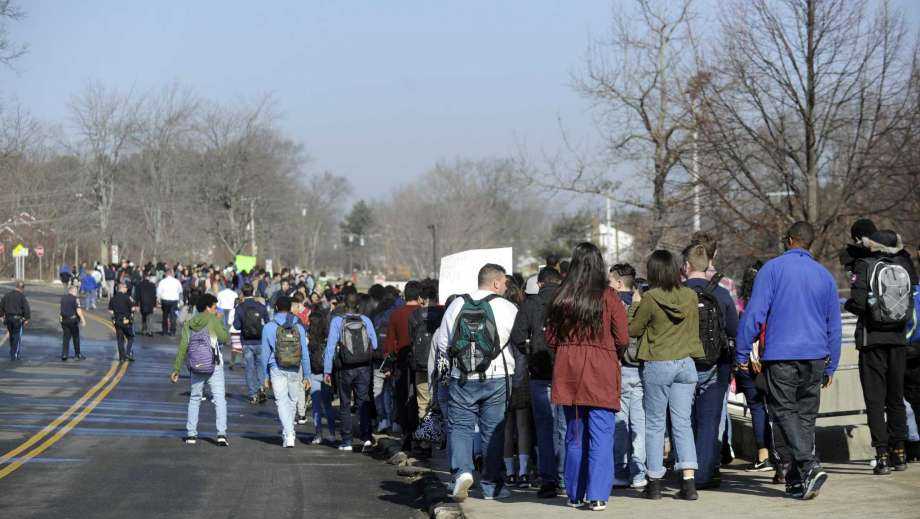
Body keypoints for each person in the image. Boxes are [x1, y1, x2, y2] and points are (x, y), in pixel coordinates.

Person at [736, 221, 842, 500]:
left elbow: (754, 313)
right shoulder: (824, 275)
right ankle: (796, 480)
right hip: (816, 356)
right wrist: (832, 363)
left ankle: (808, 464)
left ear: (790, 240)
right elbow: (834, 324)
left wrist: (742, 352)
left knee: (783, 413)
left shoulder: (772, 269)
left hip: (781, 356)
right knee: (804, 417)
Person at [543, 244, 628, 511]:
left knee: (575, 434)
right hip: (601, 369)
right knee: (601, 434)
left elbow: (550, 338)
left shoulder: (561, 296)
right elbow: (623, 336)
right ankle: (598, 495)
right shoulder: (609, 297)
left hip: (569, 370)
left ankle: (575, 493)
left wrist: (569, 349)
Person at [434, 263, 518, 501]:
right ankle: (492, 486)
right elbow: (519, 339)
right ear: (496, 282)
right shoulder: (507, 307)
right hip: (498, 376)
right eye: (504, 283)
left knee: (461, 427)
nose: (505, 287)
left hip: (462, 377)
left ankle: (462, 472)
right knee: (493, 430)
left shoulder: (457, 304)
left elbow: (443, 343)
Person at [628, 250, 704, 501]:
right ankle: (689, 483)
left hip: (658, 363)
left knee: (655, 424)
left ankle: (654, 483)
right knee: (682, 423)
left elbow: (633, 330)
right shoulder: (690, 295)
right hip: (686, 364)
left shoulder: (650, 298)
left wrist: (635, 304)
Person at [844, 229, 918, 473]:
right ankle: (900, 452)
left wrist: (850, 304)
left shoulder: (864, 265)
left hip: (872, 341)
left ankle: (882, 455)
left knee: (875, 400)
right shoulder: (904, 265)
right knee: (896, 398)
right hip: (898, 340)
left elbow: (858, 303)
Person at [683, 243, 739, 489]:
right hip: (716, 364)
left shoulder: (677, 293)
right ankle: (704, 474)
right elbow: (734, 330)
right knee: (709, 421)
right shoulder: (722, 293)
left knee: (684, 420)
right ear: (707, 265)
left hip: (683, 364)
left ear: (686, 266)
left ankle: (686, 470)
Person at [512, 266, 567, 498]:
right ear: (559, 281)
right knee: (564, 427)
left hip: (539, 371)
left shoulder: (530, 304)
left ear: (540, 284)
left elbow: (517, 336)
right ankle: (565, 476)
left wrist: (530, 350)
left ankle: (548, 480)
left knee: (544, 428)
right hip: (565, 372)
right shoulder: (568, 301)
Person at [169, 293, 230, 446]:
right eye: (214, 307)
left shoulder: (189, 323)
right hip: (214, 365)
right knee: (219, 399)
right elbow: (224, 338)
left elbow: (183, 346)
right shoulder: (212, 320)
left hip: (196, 366)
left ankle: (191, 434)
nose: (216, 309)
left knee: (195, 398)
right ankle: (221, 434)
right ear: (208, 308)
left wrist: (176, 368)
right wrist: (219, 321)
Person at [608, 263, 648, 490]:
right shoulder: (643, 303)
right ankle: (639, 473)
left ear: (618, 282)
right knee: (639, 424)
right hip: (641, 368)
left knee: (619, 423)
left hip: (619, 368)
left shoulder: (611, 304)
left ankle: (619, 471)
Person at [324, 292, 379, 451]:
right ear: (358, 306)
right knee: (363, 401)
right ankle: (366, 438)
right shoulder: (366, 320)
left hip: (345, 368)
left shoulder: (337, 321)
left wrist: (327, 371)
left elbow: (330, 347)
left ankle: (347, 441)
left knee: (345, 404)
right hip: (364, 367)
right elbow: (375, 344)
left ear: (344, 305)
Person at [260, 296, 310, 448]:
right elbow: (305, 352)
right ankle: (290, 431)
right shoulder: (298, 327)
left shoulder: (269, 327)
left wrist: (265, 375)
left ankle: (288, 433)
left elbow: (264, 354)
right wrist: (307, 375)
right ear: (290, 309)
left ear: (276, 308)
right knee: (292, 400)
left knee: (281, 401)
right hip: (295, 367)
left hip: (276, 366)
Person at [384, 280, 424, 453]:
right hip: (422, 363)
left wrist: (388, 365)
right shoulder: (424, 313)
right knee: (421, 399)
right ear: (420, 296)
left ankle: (406, 435)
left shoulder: (396, 314)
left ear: (404, 296)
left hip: (402, 362)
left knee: (402, 398)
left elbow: (390, 343)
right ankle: (422, 437)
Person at [233, 284, 270, 405]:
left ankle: (253, 395)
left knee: (249, 368)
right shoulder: (260, 306)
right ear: (253, 292)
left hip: (246, 341)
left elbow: (236, 326)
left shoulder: (240, 307)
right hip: (260, 341)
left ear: (242, 293)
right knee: (261, 366)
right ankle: (261, 388)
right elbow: (268, 322)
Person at [307, 303, 336, 444]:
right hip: (326, 373)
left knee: (316, 407)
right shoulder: (328, 338)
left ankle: (318, 434)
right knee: (328, 405)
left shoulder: (309, 339)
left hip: (313, 373)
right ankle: (332, 433)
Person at [1, 282, 30, 361]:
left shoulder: (7, 295)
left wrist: (1, 316)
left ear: (16, 287)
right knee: (17, 336)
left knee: (11, 335)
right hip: (17, 319)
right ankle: (14, 354)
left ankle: (12, 351)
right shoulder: (22, 297)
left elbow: (1, 306)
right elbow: (26, 309)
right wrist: (27, 318)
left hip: (8, 318)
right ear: (22, 288)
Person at [109, 281, 138, 362]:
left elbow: (110, 311)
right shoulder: (127, 298)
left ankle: (122, 357)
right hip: (126, 320)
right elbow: (133, 308)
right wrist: (132, 312)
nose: (127, 289)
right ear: (122, 288)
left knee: (120, 339)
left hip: (117, 320)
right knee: (130, 337)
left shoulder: (113, 298)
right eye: (126, 288)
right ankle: (128, 353)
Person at [60, 285, 86, 361]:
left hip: (64, 320)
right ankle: (77, 354)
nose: (76, 293)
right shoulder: (75, 299)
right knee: (76, 337)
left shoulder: (63, 298)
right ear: (73, 291)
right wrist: (83, 319)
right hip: (72, 320)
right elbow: (78, 310)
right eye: (76, 291)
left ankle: (64, 354)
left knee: (66, 337)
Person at [157, 268, 183, 336]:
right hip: (174, 300)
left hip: (165, 300)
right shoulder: (177, 281)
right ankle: (172, 331)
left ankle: (165, 330)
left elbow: (159, 292)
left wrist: (158, 300)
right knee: (173, 316)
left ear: (166, 274)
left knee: (165, 315)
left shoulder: (162, 281)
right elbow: (180, 291)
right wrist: (180, 301)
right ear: (171, 274)